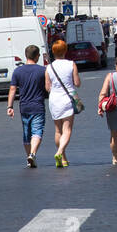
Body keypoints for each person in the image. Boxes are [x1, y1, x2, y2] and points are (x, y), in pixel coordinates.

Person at [43, 38, 80, 167]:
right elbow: (77, 83)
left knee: (58, 130)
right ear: (65, 51)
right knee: (67, 129)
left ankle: (63, 159)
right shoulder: (71, 64)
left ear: (53, 52)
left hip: (54, 100)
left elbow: (47, 87)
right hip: (67, 99)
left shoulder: (49, 67)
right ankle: (59, 152)